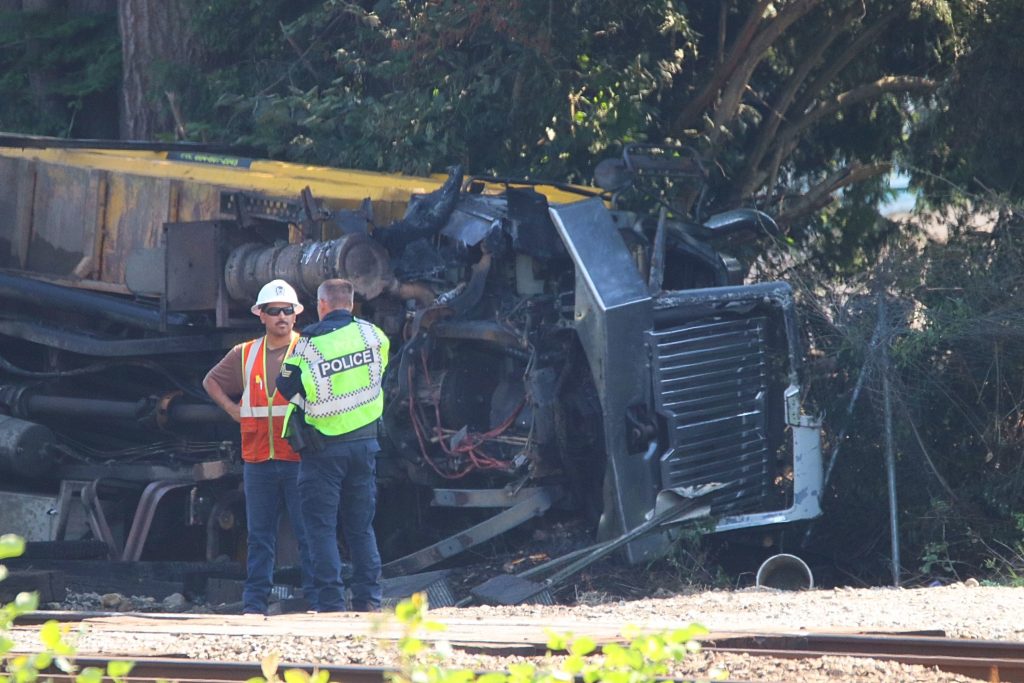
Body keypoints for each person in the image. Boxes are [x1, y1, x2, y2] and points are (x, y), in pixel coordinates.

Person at [275, 278, 389, 612]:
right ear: (350, 304)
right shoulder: (373, 335)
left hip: (322, 448)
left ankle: (331, 603)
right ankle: (369, 601)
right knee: (361, 528)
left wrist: (310, 405)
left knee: (321, 529)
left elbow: (285, 385)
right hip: (366, 444)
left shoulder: (309, 343)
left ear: (322, 305)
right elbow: (380, 372)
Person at [203, 278, 314, 615]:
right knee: (259, 537)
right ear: (261, 315)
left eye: (287, 310)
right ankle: (254, 604)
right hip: (258, 458)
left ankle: (315, 600)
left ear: (296, 315)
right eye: (273, 311)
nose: (281, 316)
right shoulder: (245, 353)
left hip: (297, 456)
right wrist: (233, 410)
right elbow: (211, 382)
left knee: (307, 532)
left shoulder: (307, 350)